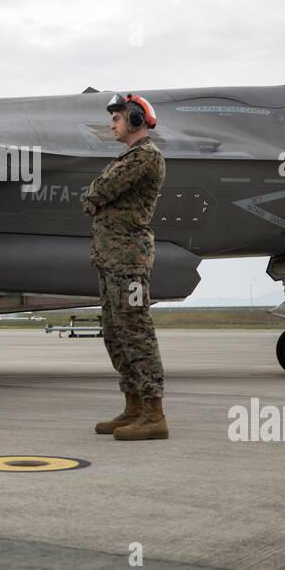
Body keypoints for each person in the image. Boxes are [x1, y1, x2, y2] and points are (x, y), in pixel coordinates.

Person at [82, 93, 169, 441]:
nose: (112, 124)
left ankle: (154, 413)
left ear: (135, 120)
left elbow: (99, 191)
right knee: (115, 334)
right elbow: (96, 193)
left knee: (136, 333)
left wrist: (94, 194)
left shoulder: (145, 157)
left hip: (129, 261)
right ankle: (134, 407)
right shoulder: (129, 157)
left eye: (117, 118)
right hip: (111, 260)